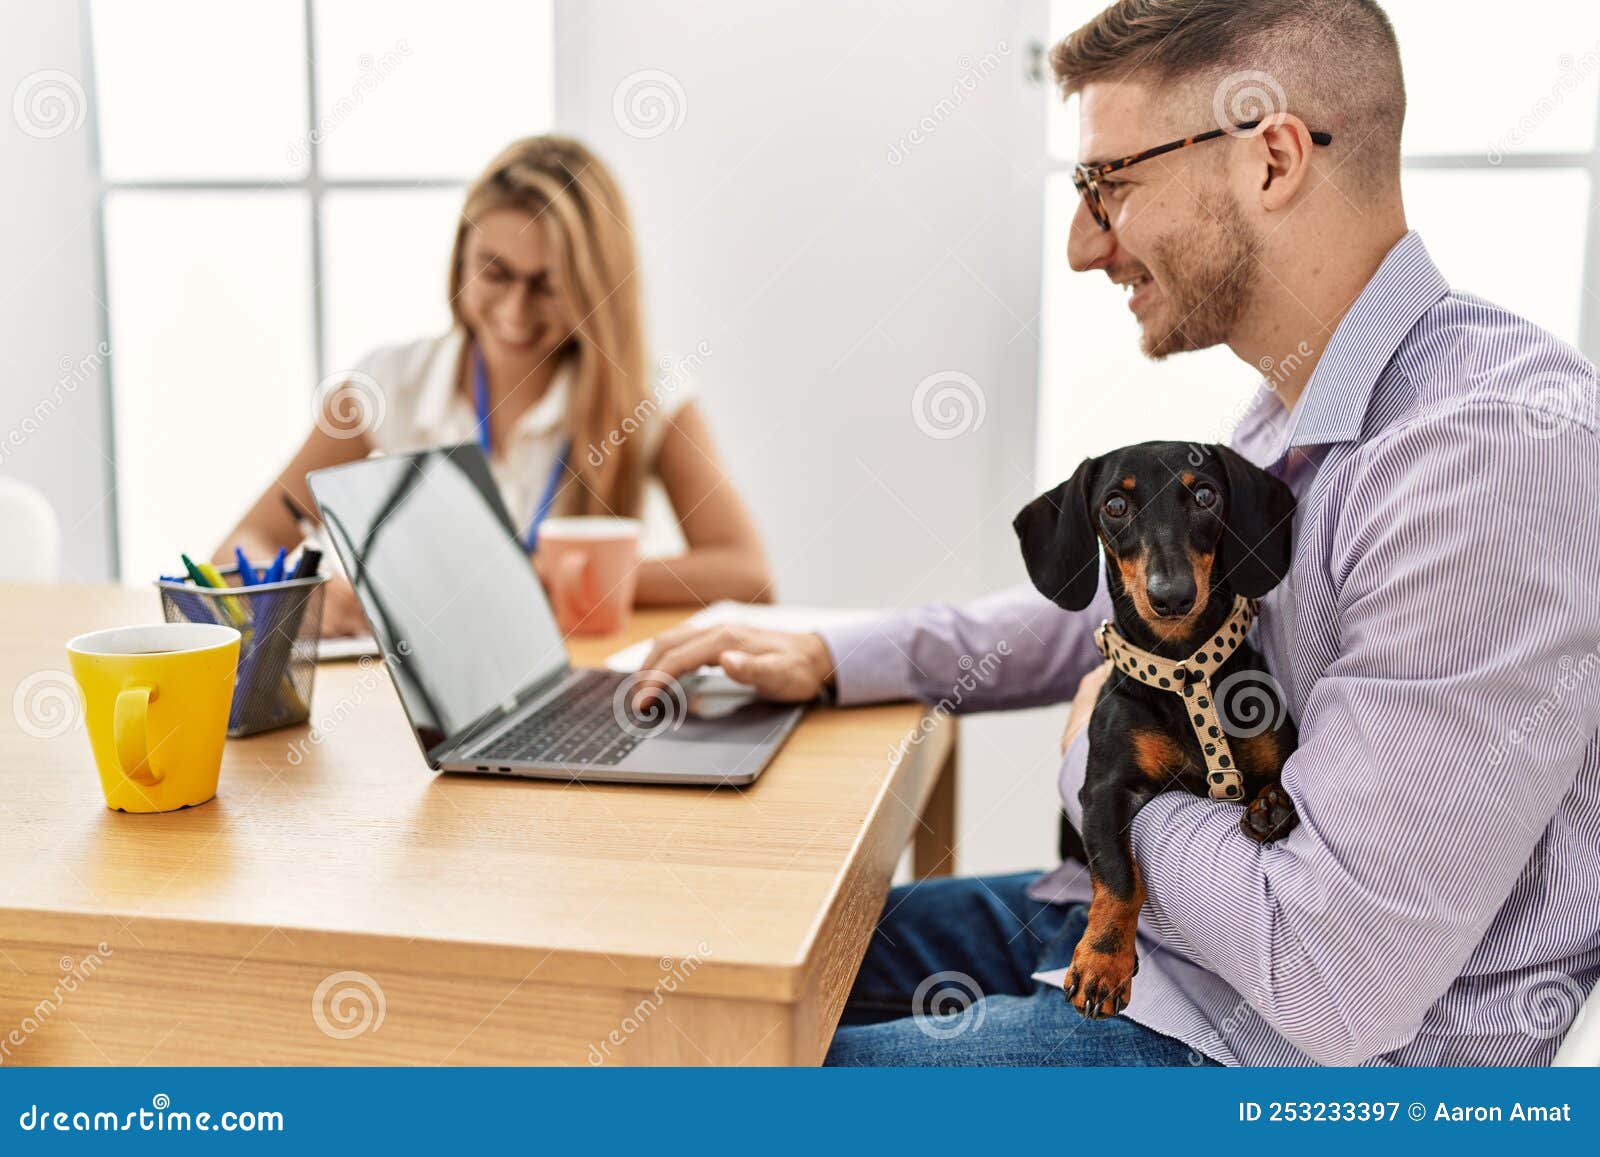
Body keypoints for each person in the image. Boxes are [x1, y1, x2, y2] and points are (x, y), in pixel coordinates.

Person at [636, 0, 1600, 1065]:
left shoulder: (1483, 457)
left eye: (1109, 182)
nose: (1083, 243)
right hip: (1177, 949)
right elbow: (1122, 609)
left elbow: (1332, 981)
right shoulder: (1294, 421)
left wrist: (1093, 764)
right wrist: (831, 653)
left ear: (1271, 158)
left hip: (1292, 1058)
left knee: (705, 1067)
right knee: (706, 981)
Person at [218, 136, 770, 634]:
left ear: (596, 286)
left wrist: (551, 577)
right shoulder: (386, 385)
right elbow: (240, 547)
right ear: (460, 257)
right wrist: (300, 601)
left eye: (547, 286)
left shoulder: (644, 393)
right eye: (495, 272)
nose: (514, 311)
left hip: (573, 691)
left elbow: (748, 574)